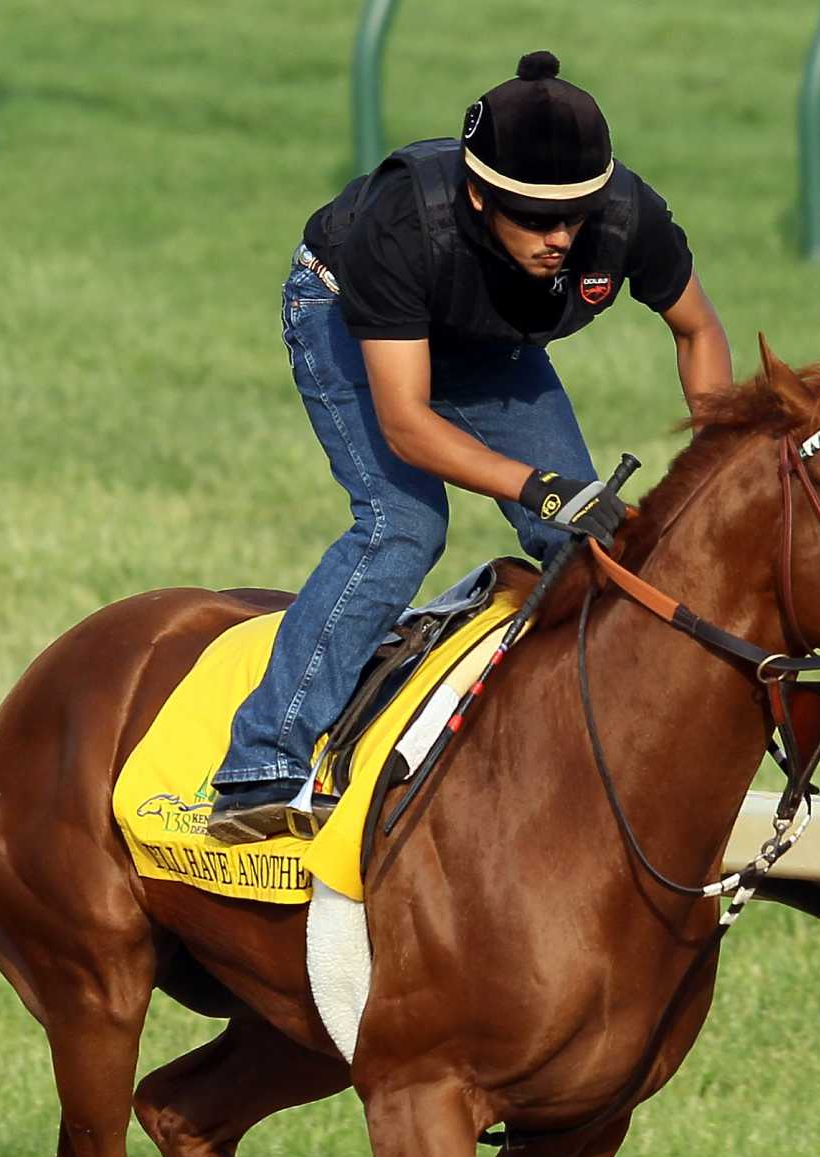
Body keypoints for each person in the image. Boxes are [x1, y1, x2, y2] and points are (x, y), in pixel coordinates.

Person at [206, 50, 733, 844]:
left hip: (487, 343)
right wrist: (540, 485)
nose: (562, 239)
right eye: (536, 219)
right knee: (403, 525)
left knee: (587, 547)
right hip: (347, 315)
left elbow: (696, 329)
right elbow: (408, 425)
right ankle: (260, 765)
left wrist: (716, 458)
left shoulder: (628, 214)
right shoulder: (402, 221)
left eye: (576, 216)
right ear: (480, 193)